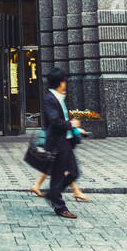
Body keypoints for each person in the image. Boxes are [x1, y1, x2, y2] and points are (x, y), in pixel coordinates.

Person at [43, 68, 82, 219]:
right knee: (58, 175)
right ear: (60, 83)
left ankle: (53, 195)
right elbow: (55, 121)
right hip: (58, 142)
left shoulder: (58, 97)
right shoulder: (50, 98)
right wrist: (71, 124)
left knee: (74, 172)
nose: (65, 83)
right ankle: (59, 206)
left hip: (65, 140)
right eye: (64, 80)